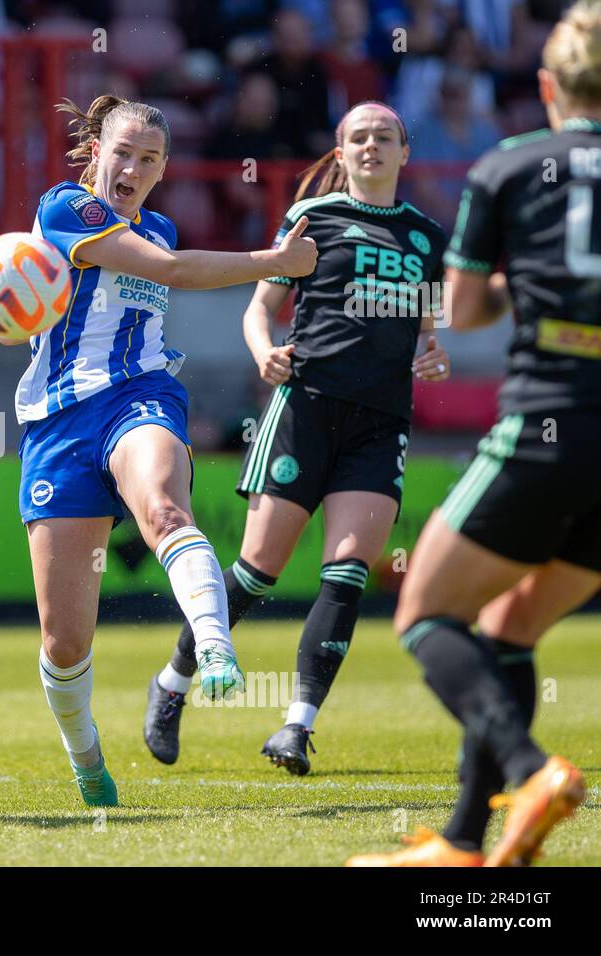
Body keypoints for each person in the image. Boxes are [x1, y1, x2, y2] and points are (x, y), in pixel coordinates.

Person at [5, 94, 318, 807]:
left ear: (163, 168)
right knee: (63, 643)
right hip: (57, 421)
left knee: (164, 509)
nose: (134, 168)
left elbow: (170, 263)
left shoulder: (161, 226)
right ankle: (87, 758)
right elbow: (170, 269)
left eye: (150, 159)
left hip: (141, 395)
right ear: (96, 153)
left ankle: (212, 640)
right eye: (124, 153)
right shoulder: (65, 209)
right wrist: (277, 260)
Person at [348, 2, 599, 867]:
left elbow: (463, 311)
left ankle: (531, 770)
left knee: (423, 614)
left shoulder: (511, 163)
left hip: (549, 422)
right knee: (510, 631)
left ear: (545, 86)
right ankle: (463, 842)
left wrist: (521, 283)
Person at [143, 102, 450, 775]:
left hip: (380, 422)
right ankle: (172, 683)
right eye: (359, 137)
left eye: (385, 137)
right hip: (304, 407)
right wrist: (263, 352)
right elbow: (259, 309)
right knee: (256, 574)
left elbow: (429, 334)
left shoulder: (430, 237)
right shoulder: (313, 221)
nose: (372, 146)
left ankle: (296, 726)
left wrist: (433, 355)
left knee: (346, 575)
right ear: (341, 151)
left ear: (405, 151)